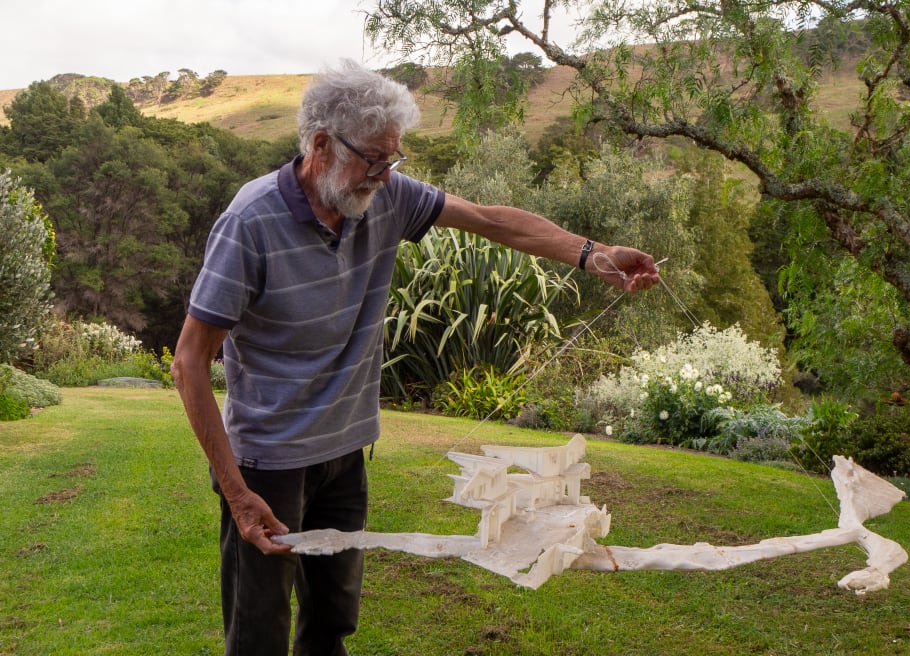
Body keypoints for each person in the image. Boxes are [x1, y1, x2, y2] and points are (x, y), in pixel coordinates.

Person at [171, 58, 661, 656]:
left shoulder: (386, 197)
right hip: (267, 465)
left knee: (331, 625)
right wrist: (236, 492)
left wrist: (595, 254)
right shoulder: (250, 223)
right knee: (259, 636)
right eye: (372, 159)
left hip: (344, 456)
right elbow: (189, 361)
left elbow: (491, 222)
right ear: (320, 143)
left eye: (392, 159)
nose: (383, 174)